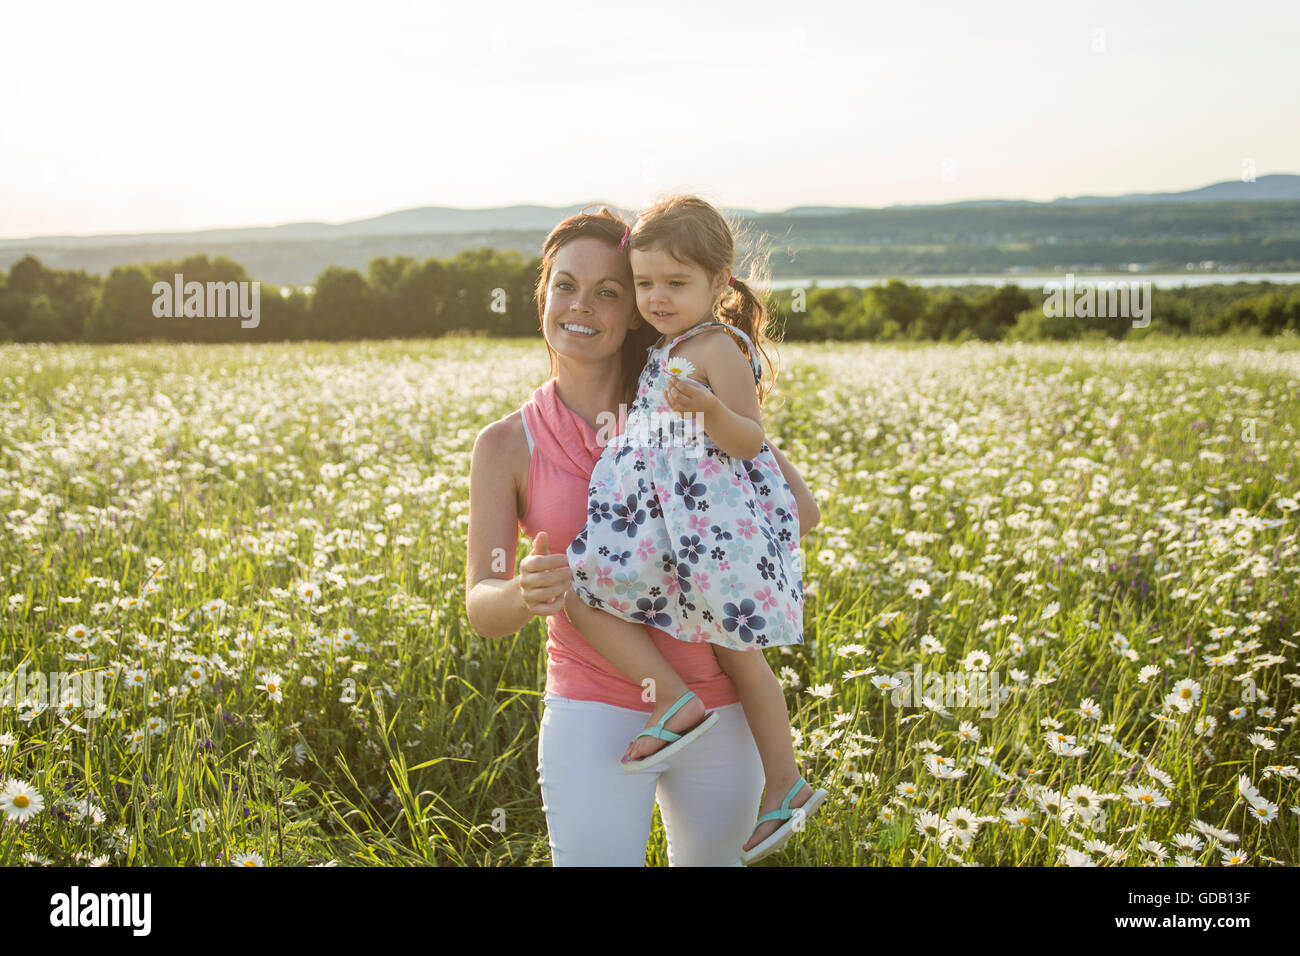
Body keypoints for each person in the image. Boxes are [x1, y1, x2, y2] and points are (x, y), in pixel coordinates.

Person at [465, 205, 821, 865]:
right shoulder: (506, 444)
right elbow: (482, 603)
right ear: (543, 296)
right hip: (592, 712)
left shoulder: (681, 390)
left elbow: (795, 508)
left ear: (638, 310)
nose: (582, 305)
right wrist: (521, 590)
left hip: (722, 703)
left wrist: (686, 534)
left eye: (609, 291)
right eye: (566, 285)